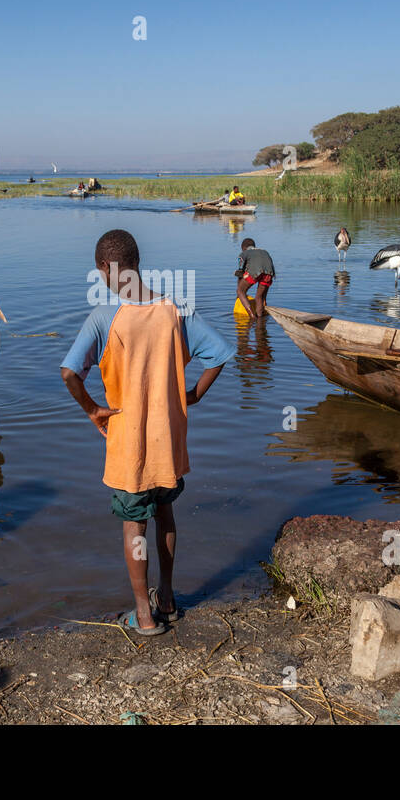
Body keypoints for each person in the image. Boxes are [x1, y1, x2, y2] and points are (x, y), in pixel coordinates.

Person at [60, 230, 233, 636]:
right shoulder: (176, 310)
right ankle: (168, 597)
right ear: (136, 262)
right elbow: (222, 353)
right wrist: (193, 395)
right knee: (166, 514)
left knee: (134, 525)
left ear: (105, 268)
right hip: (168, 442)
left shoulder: (106, 318)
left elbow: (70, 373)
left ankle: (143, 614)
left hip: (128, 446)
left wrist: (93, 411)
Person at [235, 237, 275, 320]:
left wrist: (239, 293)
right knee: (259, 297)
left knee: (240, 291)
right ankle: (260, 319)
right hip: (269, 273)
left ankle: (252, 317)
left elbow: (240, 272)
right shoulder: (264, 251)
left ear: (243, 248)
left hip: (255, 271)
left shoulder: (244, 253)